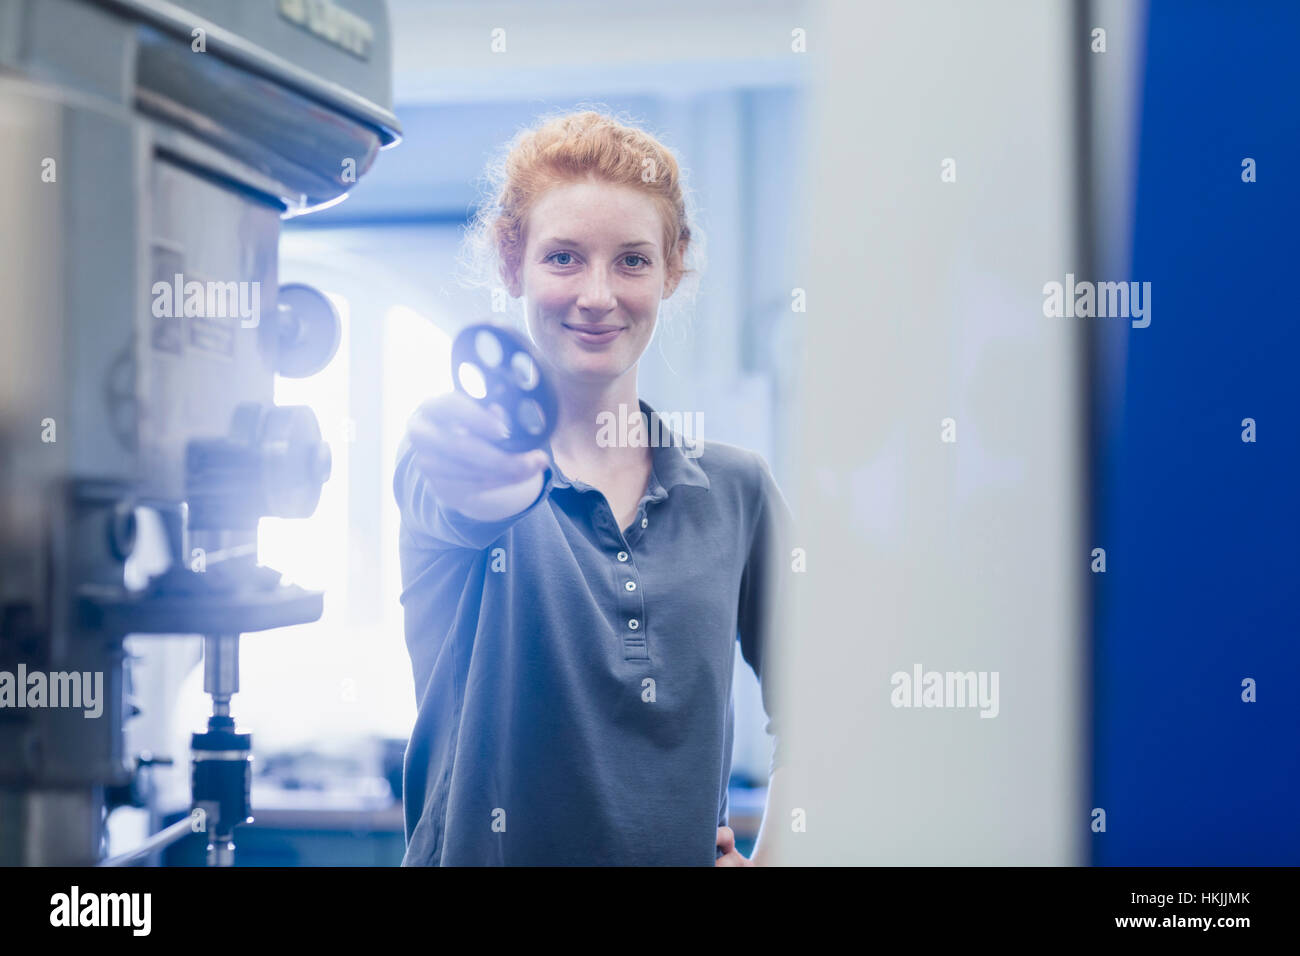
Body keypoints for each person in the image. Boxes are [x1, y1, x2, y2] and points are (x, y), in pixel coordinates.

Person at [394, 109, 794, 865]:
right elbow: (466, 491)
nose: (599, 295)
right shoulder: (455, 457)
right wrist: (483, 461)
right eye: (565, 258)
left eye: (634, 261)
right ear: (512, 265)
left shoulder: (737, 491)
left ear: (673, 269)